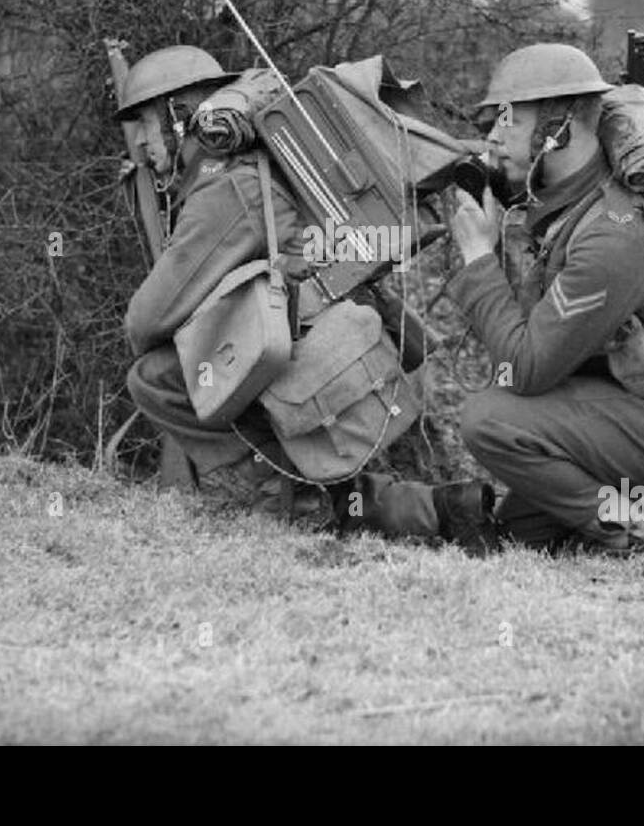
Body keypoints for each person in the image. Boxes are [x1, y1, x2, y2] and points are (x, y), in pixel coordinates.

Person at [119, 45, 498, 541]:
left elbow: (146, 322)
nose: (140, 143)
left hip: (316, 355)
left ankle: (286, 506)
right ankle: (448, 509)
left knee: (155, 377)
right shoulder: (247, 165)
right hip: (336, 343)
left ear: (179, 115)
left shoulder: (226, 188)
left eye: (145, 123)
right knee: (343, 496)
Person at [435, 43, 644, 555]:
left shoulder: (612, 232)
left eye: (508, 120)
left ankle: (631, 534)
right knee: (520, 539)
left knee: (488, 420)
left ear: (559, 126)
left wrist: (477, 256)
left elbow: (527, 366)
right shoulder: (569, 198)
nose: (493, 136)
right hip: (618, 393)